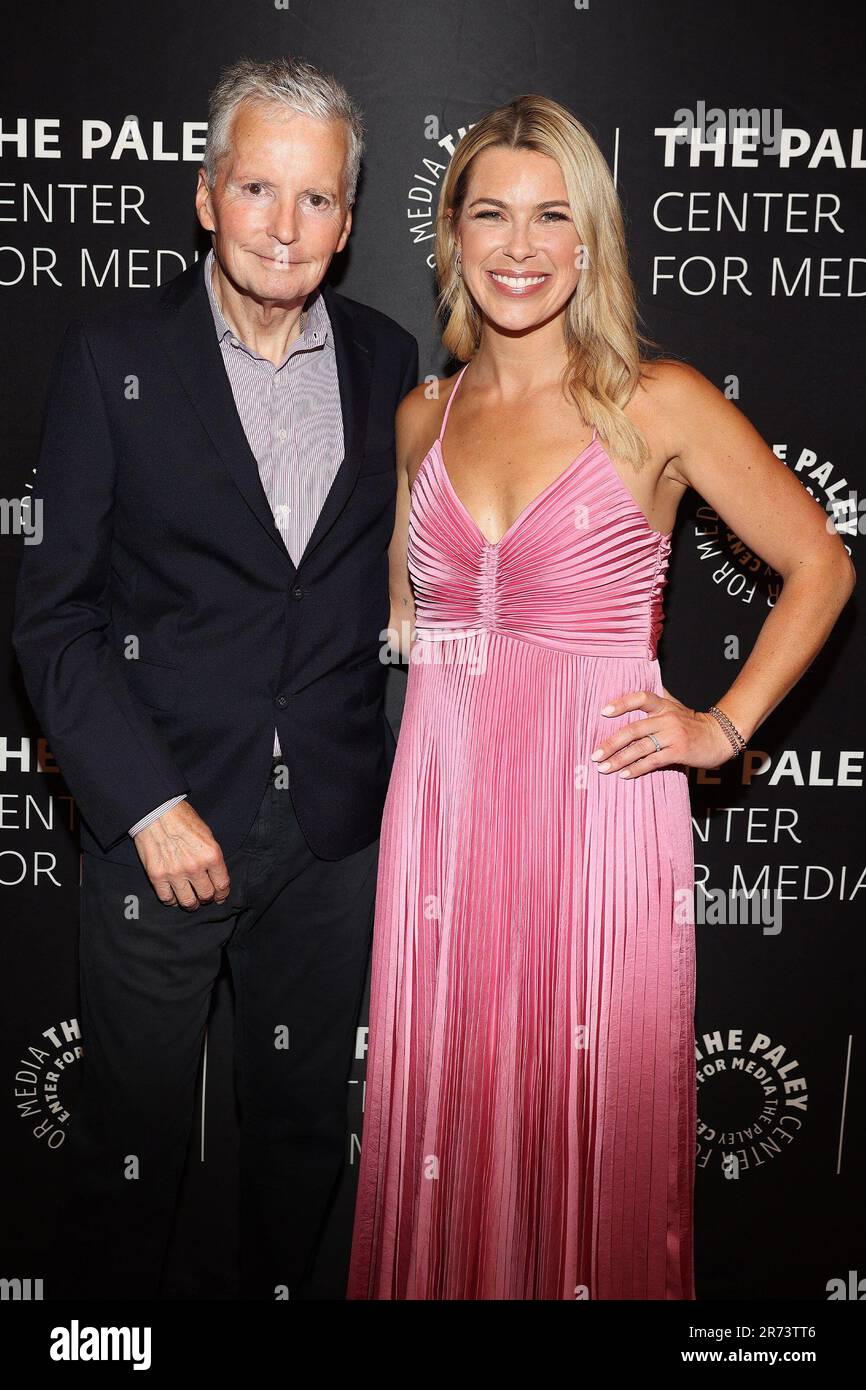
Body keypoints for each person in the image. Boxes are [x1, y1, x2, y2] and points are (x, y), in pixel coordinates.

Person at [347, 94, 855, 1300]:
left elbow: (820, 563)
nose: (518, 247)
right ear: (451, 238)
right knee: (442, 1122)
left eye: (549, 217)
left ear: (589, 244)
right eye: (490, 216)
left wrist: (720, 727)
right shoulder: (425, 413)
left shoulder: (655, 399)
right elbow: (409, 619)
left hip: (594, 812)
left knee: (595, 1123)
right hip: (446, 817)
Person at [12, 55, 418, 1300]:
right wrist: (144, 804)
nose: (283, 227)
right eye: (257, 189)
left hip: (332, 834)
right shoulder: (111, 355)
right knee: (128, 1151)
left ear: (347, 222)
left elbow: (400, 588)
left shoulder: (386, 358)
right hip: (166, 825)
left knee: (300, 1137)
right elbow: (53, 619)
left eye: (313, 201)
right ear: (205, 197)